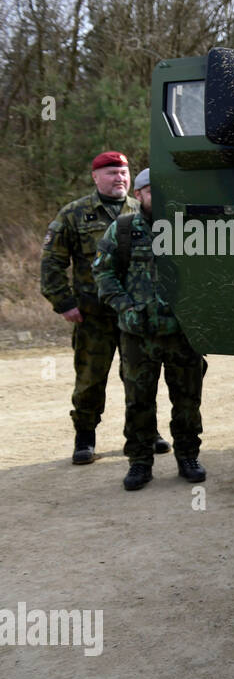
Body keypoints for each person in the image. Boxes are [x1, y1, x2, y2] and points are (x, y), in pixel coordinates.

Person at [39, 151, 168, 464]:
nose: (119, 178)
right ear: (95, 177)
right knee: (90, 380)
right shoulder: (75, 213)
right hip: (93, 315)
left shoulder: (143, 210)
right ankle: (85, 437)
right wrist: (64, 302)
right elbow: (52, 262)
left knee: (140, 377)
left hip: (135, 315)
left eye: (123, 173)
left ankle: (145, 433)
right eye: (111, 173)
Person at [93, 168, 208, 491]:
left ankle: (188, 457)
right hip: (137, 335)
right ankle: (140, 463)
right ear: (140, 194)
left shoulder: (190, 230)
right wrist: (125, 307)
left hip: (182, 334)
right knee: (138, 401)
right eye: (153, 191)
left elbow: (210, 277)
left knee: (187, 401)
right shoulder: (124, 230)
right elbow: (103, 273)